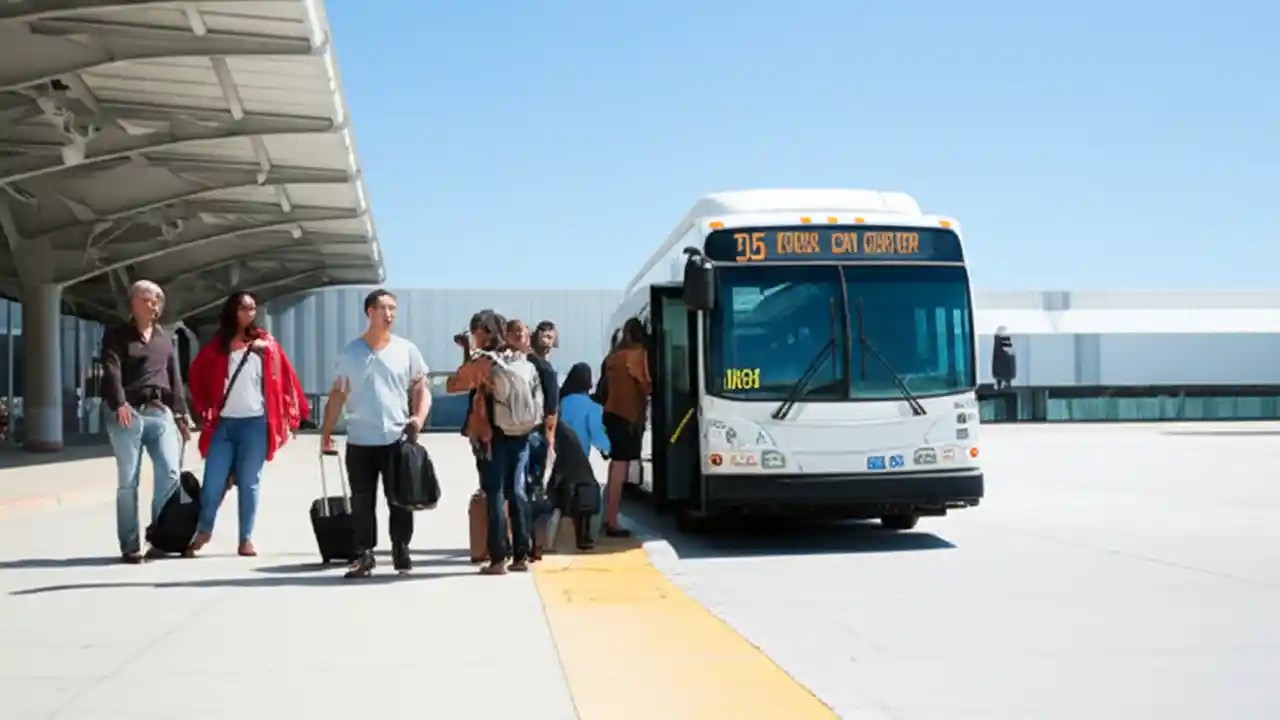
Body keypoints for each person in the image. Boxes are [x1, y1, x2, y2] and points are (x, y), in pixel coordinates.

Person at [185, 291, 309, 558]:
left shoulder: (265, 342)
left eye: (252, 308)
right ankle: (204, 529)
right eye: (243, 308)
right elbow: (196, 373)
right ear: (232, 311)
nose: (248, 313)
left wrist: (267, 356)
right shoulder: (218, 345)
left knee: (250, 482)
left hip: (255, 423)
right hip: (224, 424)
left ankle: (245, 539)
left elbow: (284, 374)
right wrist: (203, 408)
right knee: (212, 482)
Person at [320, 289, 430, 579]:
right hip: (359, 440)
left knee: (401, 500)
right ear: (370, 312)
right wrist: (327, 430)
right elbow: (337, 395)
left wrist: (417, 419)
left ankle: (401, 551)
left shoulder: (406, 350)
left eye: (393, 308)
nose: (389, 314)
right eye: (383, 308)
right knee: (362, 501)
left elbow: (420, 388)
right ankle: (364, 555)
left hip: (397, 438)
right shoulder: (351, 353)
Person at [448, 313, 551, 575]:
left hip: (491, 436)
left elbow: (455, 384)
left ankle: (497, 559)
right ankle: (521, 555)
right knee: (517, 491)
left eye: (475, 331)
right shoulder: (520, 358)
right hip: (521, 433)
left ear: (484, 331)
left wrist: (468, 354)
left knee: (494, 493)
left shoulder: (485, 361)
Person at [99, 280, 192, 564]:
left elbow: (174, 378)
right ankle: (130, 545)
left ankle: (160, 539)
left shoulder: (164, 339)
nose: (154, 305)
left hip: (159, 411)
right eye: (148, 300)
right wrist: (120, 403)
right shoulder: (117, 335)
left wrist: (181, 414)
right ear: (134, 303)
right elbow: (111, 370)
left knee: (170, 473)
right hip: (127, 411)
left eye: (156, 301)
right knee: (129, 479)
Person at [600, 317, 651, 537]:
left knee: (615, 468)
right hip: (628, 418)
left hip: (611, 415)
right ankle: (612, 521)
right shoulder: (636, 356)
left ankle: (607, 516)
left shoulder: (613, 357)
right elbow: (646, 387)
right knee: (620, 468)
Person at [555, 362, 611, 550]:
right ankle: (583, 535)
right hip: (580, 457)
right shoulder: (592, 407)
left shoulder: (561, 401)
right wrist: (607, 449)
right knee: (586, 491)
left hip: (561, 456)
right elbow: (596, 434)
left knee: (561, 491)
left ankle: (556, 534)